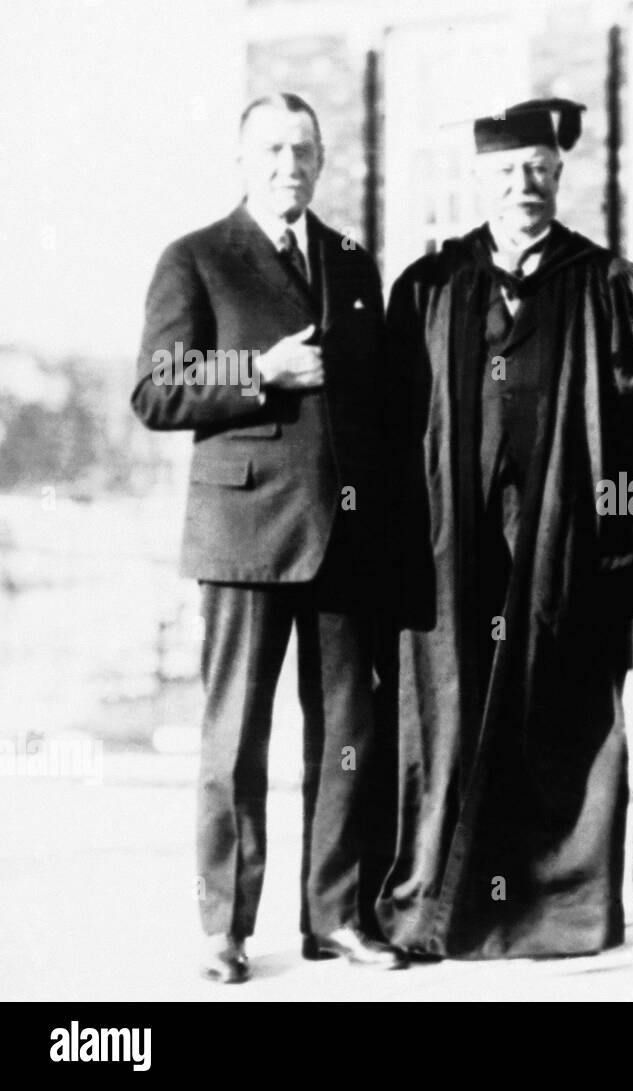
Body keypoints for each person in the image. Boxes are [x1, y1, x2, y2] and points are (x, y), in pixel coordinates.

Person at [378, 99, 633, 959]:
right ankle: (434, 903)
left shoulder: (615, 288)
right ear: (479, 180)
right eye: (507, 171)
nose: (525, 184)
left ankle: (556, 909)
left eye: (540, 169)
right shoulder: (432, 287)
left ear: (560, 174)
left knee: (562, 698)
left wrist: (622, 541)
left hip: (564, 532)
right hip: (454, 534)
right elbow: (398, 423)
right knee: (448, 703)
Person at [132, 93, 404, 982]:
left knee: (348, 735)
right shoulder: (197, 258)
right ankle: (225, 928)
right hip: (244, 532)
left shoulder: (354, 262)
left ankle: (337, 916)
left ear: (323, 163)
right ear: (241, 161)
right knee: (234, 740)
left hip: (344, 540)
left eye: (305, 149)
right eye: (273, 149)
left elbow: (373, 405)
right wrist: (261, 371)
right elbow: (158, 389)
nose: (290, 163)